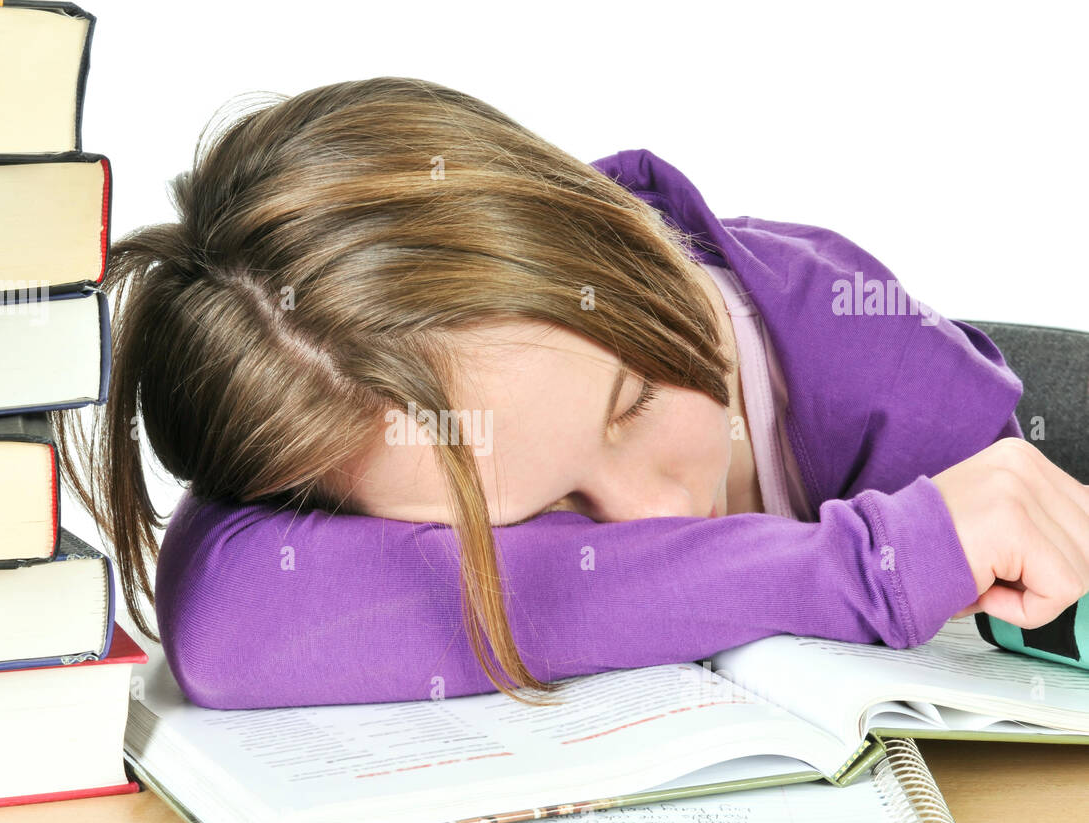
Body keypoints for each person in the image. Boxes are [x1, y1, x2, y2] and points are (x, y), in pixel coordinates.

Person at [54, 76, 1089, 711]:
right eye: (545, 517)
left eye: (635, 400)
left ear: (634, 236)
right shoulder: (353, 412)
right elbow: (232, 626)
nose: (654, 514)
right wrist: (854, 569)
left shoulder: (883, 371)